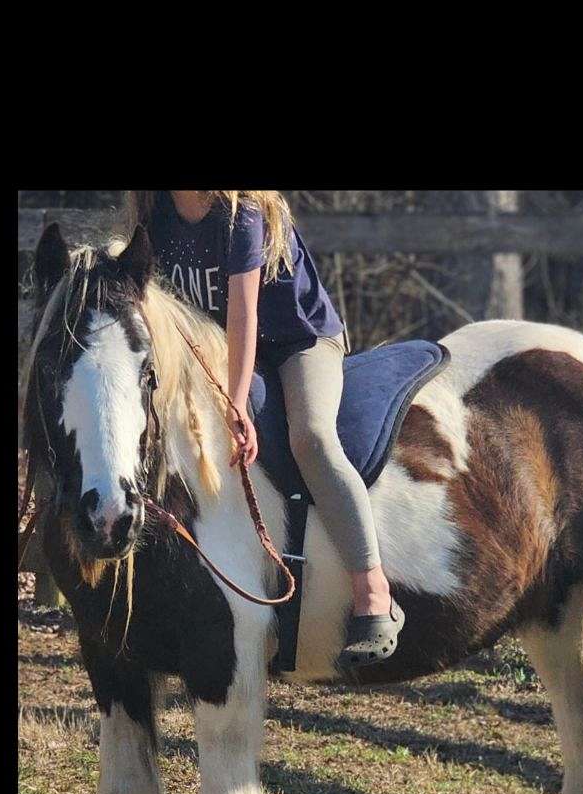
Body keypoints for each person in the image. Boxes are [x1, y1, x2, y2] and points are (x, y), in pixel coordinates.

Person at [127, 190, 405, 669]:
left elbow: (244, 312)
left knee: (311, 438)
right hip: (219, 345)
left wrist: (234, 401)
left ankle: (372, 589)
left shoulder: (242, 213)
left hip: (298, 343)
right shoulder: (154, 214)